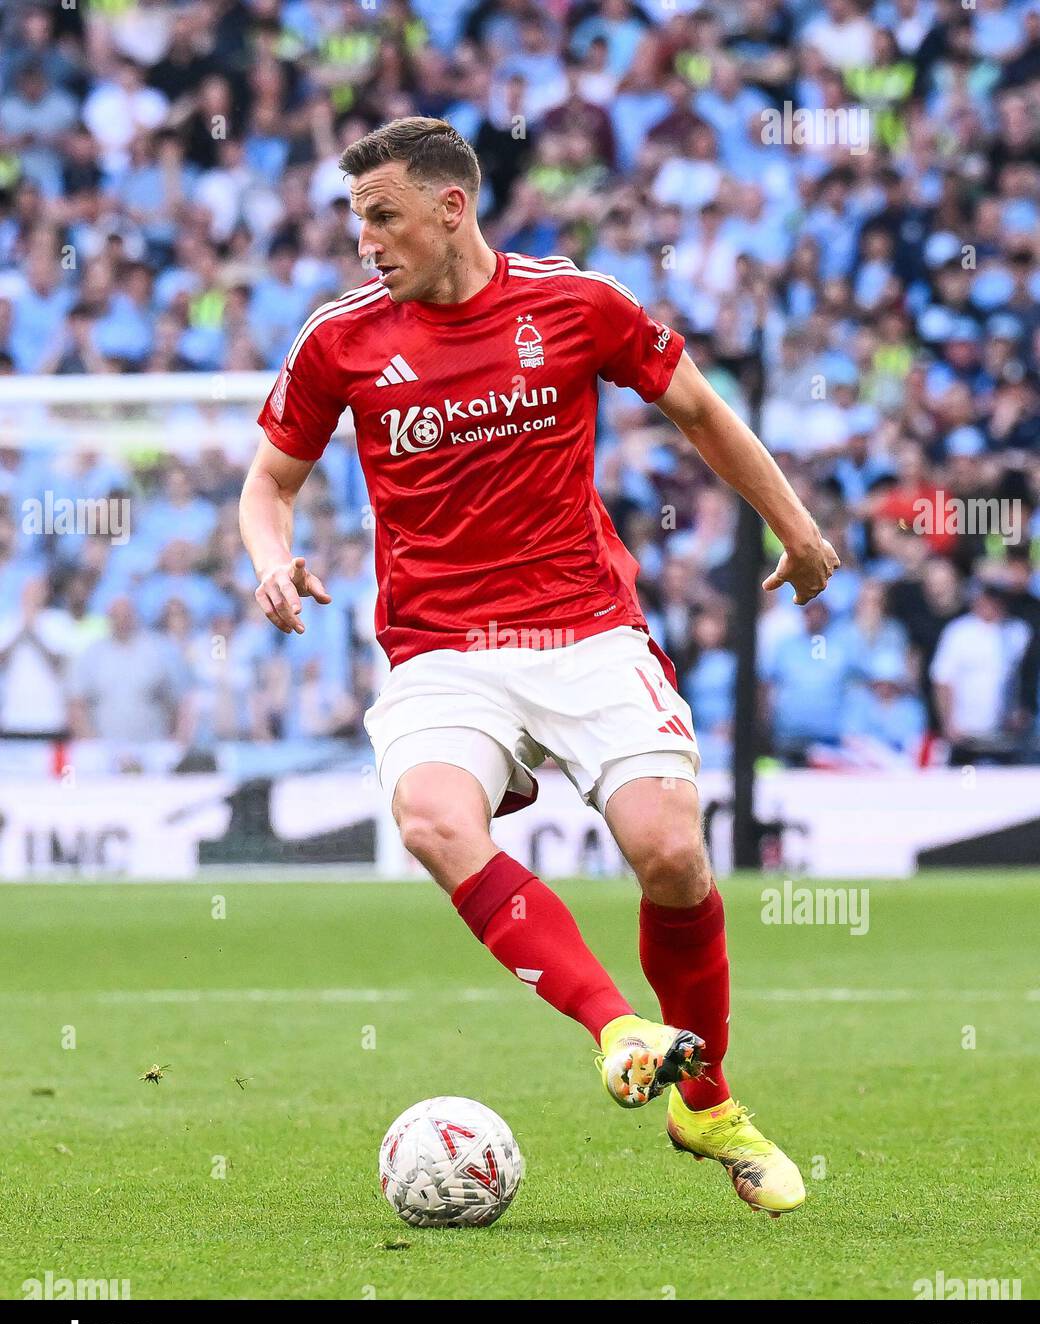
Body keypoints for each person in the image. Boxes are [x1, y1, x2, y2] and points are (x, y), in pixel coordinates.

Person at [240, 117, 840, 1217]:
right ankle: (616, 1026)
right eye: (354, 220)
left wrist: (793, 530)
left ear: (450, 208)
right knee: (430, 818)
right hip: (440, 650)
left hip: (582, 628)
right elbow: (267, 482)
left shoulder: (574, 304)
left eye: (381, 216)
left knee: (669, 854)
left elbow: (699, 410)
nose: (364, 240)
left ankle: (702, 1098)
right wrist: (272, 562)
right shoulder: (340, 340)